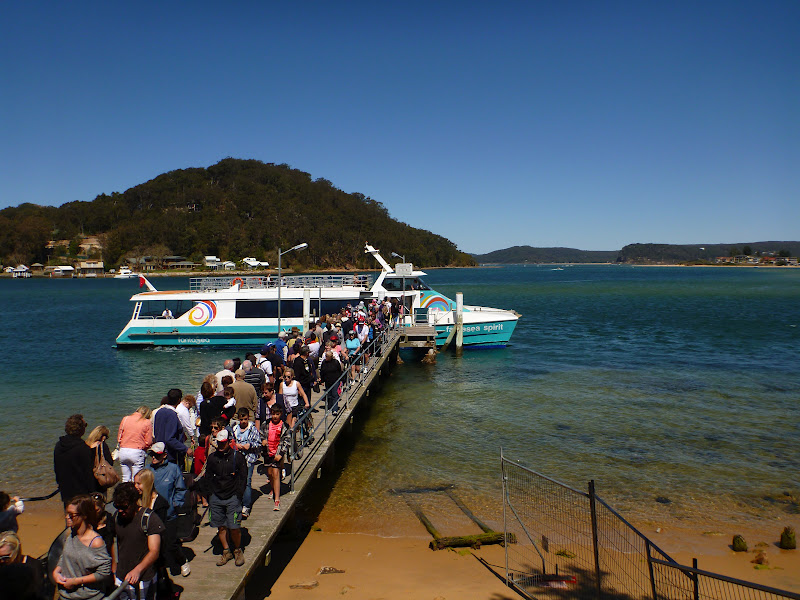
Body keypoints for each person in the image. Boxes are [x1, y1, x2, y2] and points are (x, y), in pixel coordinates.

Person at [135, 467, 190, 580]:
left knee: (170, 544)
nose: (136, 486)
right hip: (146, 531)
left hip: (166, 522)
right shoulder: (137, 499)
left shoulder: (160, 503)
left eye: (139, 483)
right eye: (134, 483)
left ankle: (182, 561)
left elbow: (159, 526)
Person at [53, 495, 111, 600]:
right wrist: (56, 571)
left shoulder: (96, 542)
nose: (67, 517)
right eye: (66, 514)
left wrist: (76, 581)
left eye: (71, 515)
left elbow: (104, 572)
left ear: (84, 516)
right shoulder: (70, 533)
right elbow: (64, 556)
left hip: (88, 597)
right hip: (65, 595)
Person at [111, 483, 163, 600]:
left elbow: (154, 551)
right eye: (117, 506)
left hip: (144, 578)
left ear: (134, 502)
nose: (120, 511)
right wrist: (114, 570)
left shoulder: (149, 519)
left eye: (124, 507)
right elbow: (113, 543)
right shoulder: (116, 518)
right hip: (122, 576)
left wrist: (137, 570)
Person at [205, 430, 247, 567]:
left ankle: (237, 550)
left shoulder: (238, 457)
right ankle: (226, 551)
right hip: (216, 497)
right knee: (221, 527)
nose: (221, 446)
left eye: (223, 443)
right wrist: (210, 495)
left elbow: (243, 478)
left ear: (229, 442)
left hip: (232, 497)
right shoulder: (212, 458)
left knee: (234, 527)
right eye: (219, 443)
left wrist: (238, 495)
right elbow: (208, 477)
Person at [54, 415, 96, 505]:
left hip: (65, 492)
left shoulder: (59, 445)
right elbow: (88, 474)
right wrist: (92, 493)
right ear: (80, 429)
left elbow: (57, 469)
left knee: (69, 517)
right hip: (81, 495)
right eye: (85, 425)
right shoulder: (83, 448)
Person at [231, 408, 261, 518]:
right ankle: (237, 503)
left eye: (245, 419)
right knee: (237, 482)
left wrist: (250, 445)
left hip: (249, 459)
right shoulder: (235, 429)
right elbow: (231, 441)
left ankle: (246, 506)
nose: (243, 421)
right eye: (241, 419)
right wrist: (236, 446)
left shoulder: (252, 429)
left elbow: (258, 443)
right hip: (237, 459)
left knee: (247, 481)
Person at [260, 404, 291, 511]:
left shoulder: (284, 426)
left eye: (277, 414)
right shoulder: (266, 424)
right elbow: (261, 434)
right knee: (269, 474)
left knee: (276, 474)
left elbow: (287, 441)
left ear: (281, 414)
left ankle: (277, 499)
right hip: (268, 453)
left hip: (277, 453)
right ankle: (272, 488)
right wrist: (263, 440)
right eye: (273, 414)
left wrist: (281, 454)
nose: (275, 417)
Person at [0, 530, 45, 600]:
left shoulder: (33, 566)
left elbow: (37, 592)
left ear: (17, 551)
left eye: (6, 557)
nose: (1, 560)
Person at [153, 388, 191, 465]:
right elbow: (169, 439)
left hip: (159, 451)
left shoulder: (159, 412)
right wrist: (185, 449)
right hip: (170, 455)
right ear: (179, 400)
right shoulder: (172, 415)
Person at [117, 406, 153, 482]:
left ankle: (125, 493)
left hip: (123, 451)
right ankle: (135, 493)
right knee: (136, 480)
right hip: (137, 452)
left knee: (125, 478)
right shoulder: (147, 422)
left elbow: (119, 437)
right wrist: (145, 446)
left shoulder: (125, 419)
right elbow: (148, 441)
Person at [85, 426, 114, 495]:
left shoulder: (86, 445)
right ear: (103, 436)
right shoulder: (102, 446)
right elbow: (110, 462)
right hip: (99, 480)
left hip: (87, 481)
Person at [319, 350, 344, 414]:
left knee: (335, 394)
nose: (326, 357)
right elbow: (322, 372)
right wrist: (322, 380)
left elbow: (339, 371)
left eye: (327, 356)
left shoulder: (335, 362)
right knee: (329, 394)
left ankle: (335, 409)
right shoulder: (324, 363)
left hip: (335, 380)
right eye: (325, 356)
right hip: (327, 381)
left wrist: (341, 380)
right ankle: (329, 406)